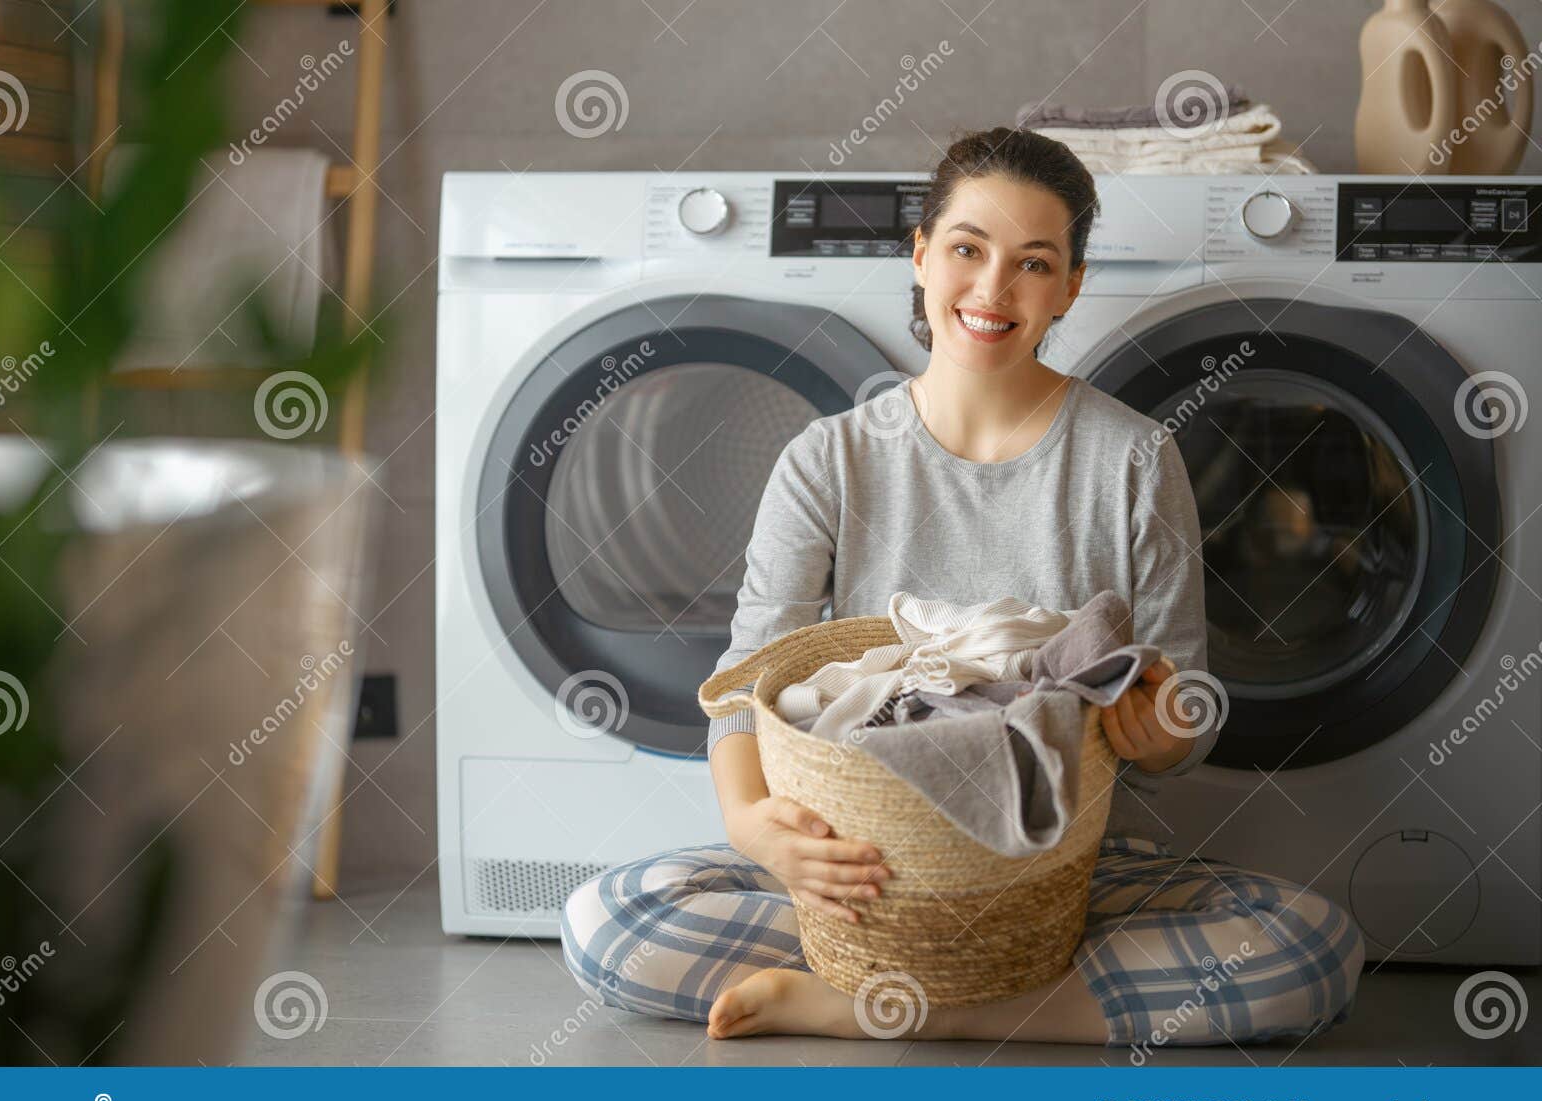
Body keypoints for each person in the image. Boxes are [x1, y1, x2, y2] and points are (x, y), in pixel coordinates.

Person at [562, 127, 1363, 1048]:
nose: (991, 290)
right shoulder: (830, 459)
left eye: (1033, 263)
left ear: (1070, 286)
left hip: (1056, 866)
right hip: (865, 871)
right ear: (920, 254)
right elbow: (749, 681)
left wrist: (1163, 727)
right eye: (967, 249)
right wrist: (756, 830)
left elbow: (1186, 701)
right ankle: (1018, 1006)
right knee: (606, 920)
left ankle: (882, 1007)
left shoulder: (1135, 457)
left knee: (1312, 945)